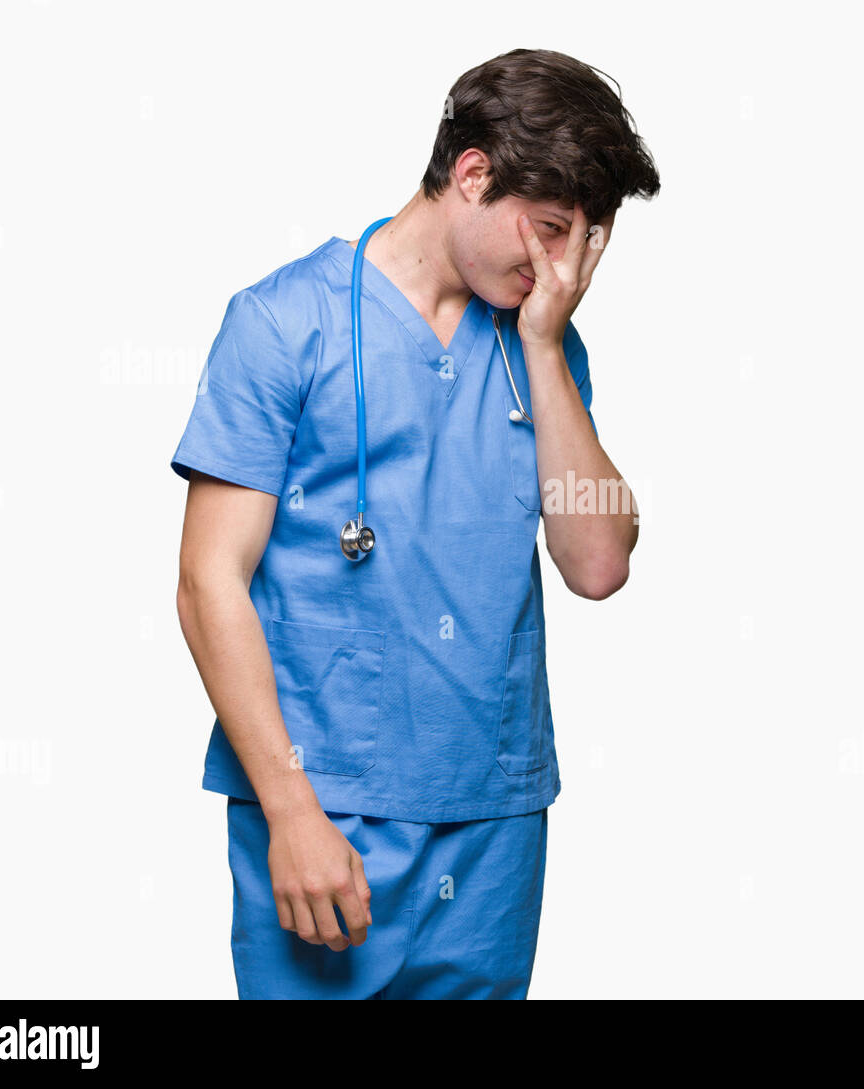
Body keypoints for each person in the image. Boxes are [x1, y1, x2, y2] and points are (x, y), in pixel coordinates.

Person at [170, 47, 658, 999]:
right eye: (550, 229)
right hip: (324, 816)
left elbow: (597, 563)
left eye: (585, 242)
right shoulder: (283, 324)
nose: (560, 267)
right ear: (472, 173)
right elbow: (206, 583)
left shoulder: (540, 346)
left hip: (492, 825)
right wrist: (289, 809)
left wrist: (549, 347)